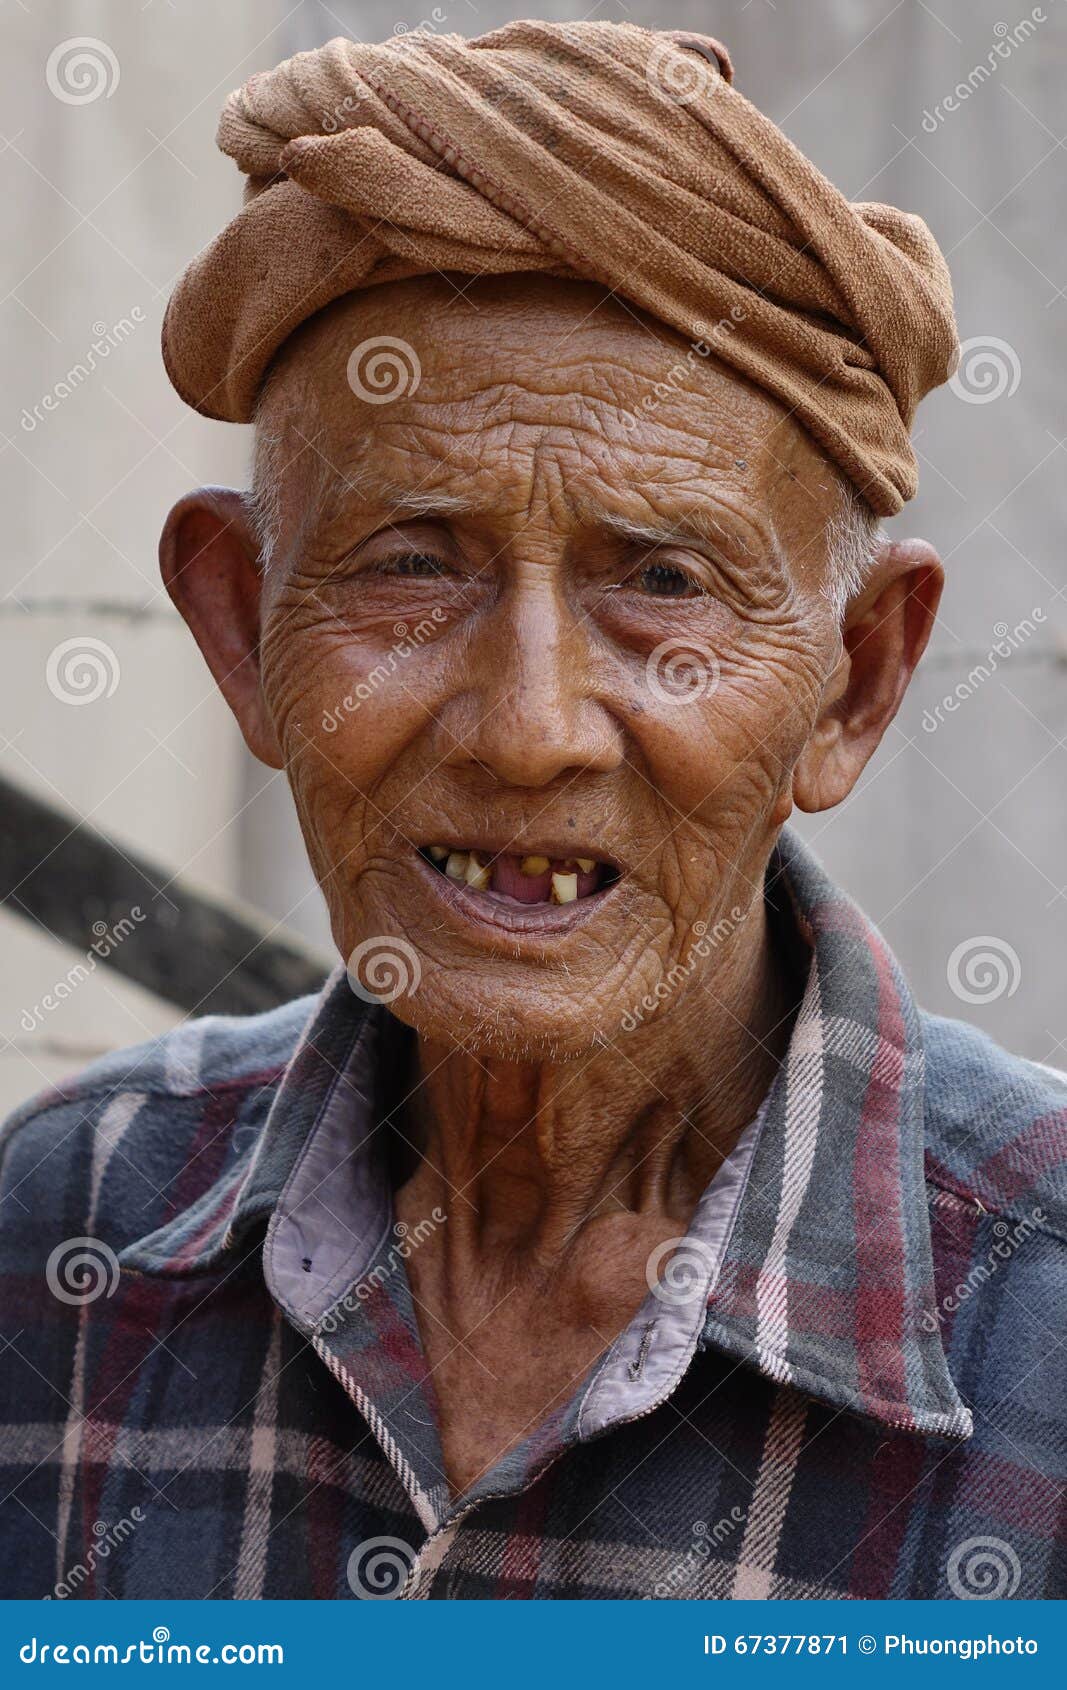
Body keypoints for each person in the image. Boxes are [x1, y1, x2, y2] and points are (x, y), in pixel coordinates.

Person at [1, 21, 1063, 1601]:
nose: (527, 729)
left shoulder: (1034, 1305)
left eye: (663, 583)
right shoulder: (65, 1240)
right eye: (411, 562)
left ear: (852, 684)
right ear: (241, 630)